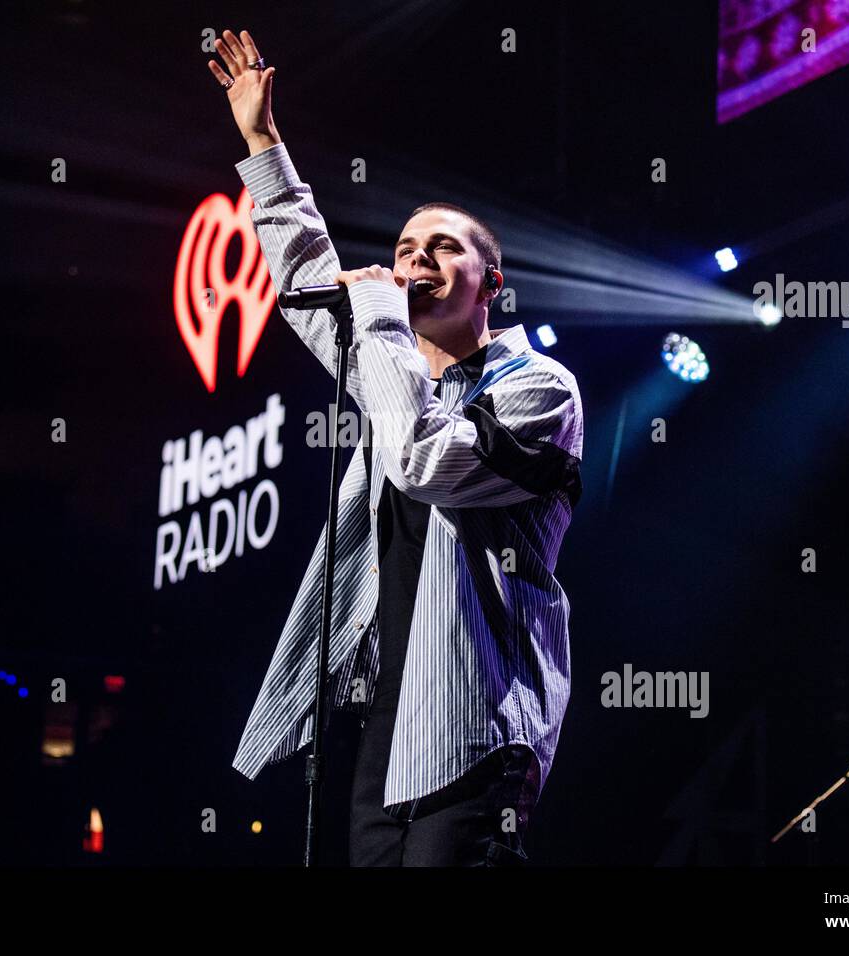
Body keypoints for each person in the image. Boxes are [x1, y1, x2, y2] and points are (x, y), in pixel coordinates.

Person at [209, 29, 585, 866]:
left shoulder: (540, 389)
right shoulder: (391, 372)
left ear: (492, 283)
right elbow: (309, 290)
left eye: (442, 248)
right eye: (405, 248)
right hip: (380, 722)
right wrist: (263, 144)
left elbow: (424, 457)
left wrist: (379, 315)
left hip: (477, 727)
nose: (414, 259)